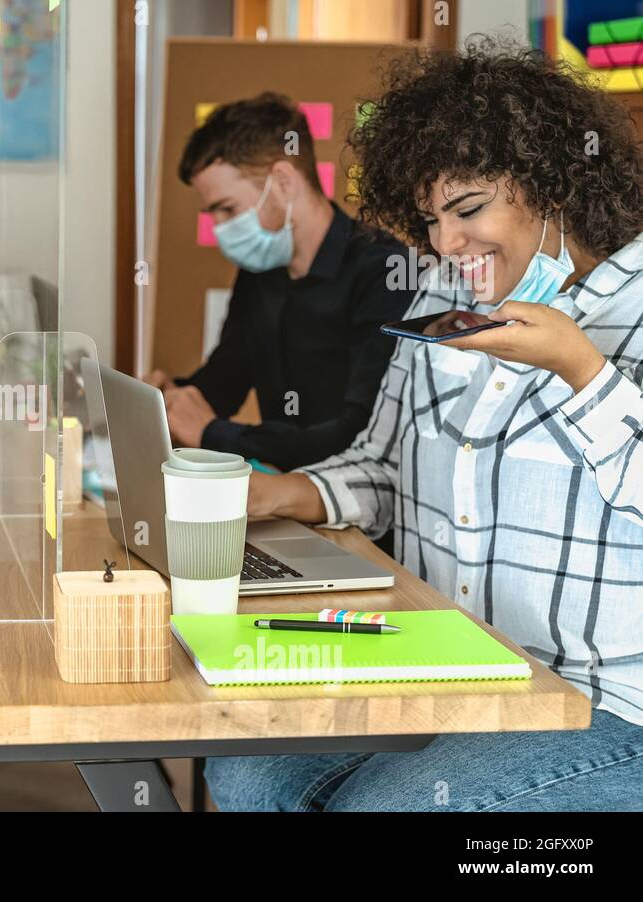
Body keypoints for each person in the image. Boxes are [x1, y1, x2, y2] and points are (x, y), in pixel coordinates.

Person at [209, 40, 643, 811]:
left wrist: (582, 370)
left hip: (604, 702)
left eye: (468, 209)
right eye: (430, 218)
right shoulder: (440, 297)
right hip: (459, 663)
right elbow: (384, 464)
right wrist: (286, 495)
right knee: (244, 772)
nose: (446, 244)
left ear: (552, 182)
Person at [144, 93, 414, 472]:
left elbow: (357, 435)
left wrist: (211, 435)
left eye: (227, 209)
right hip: (280, 498)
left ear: (283, 181)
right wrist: (166, 400)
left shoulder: (386, 274)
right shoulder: (261, 270)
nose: (219, 230)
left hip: (357, 512)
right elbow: (225, 381)